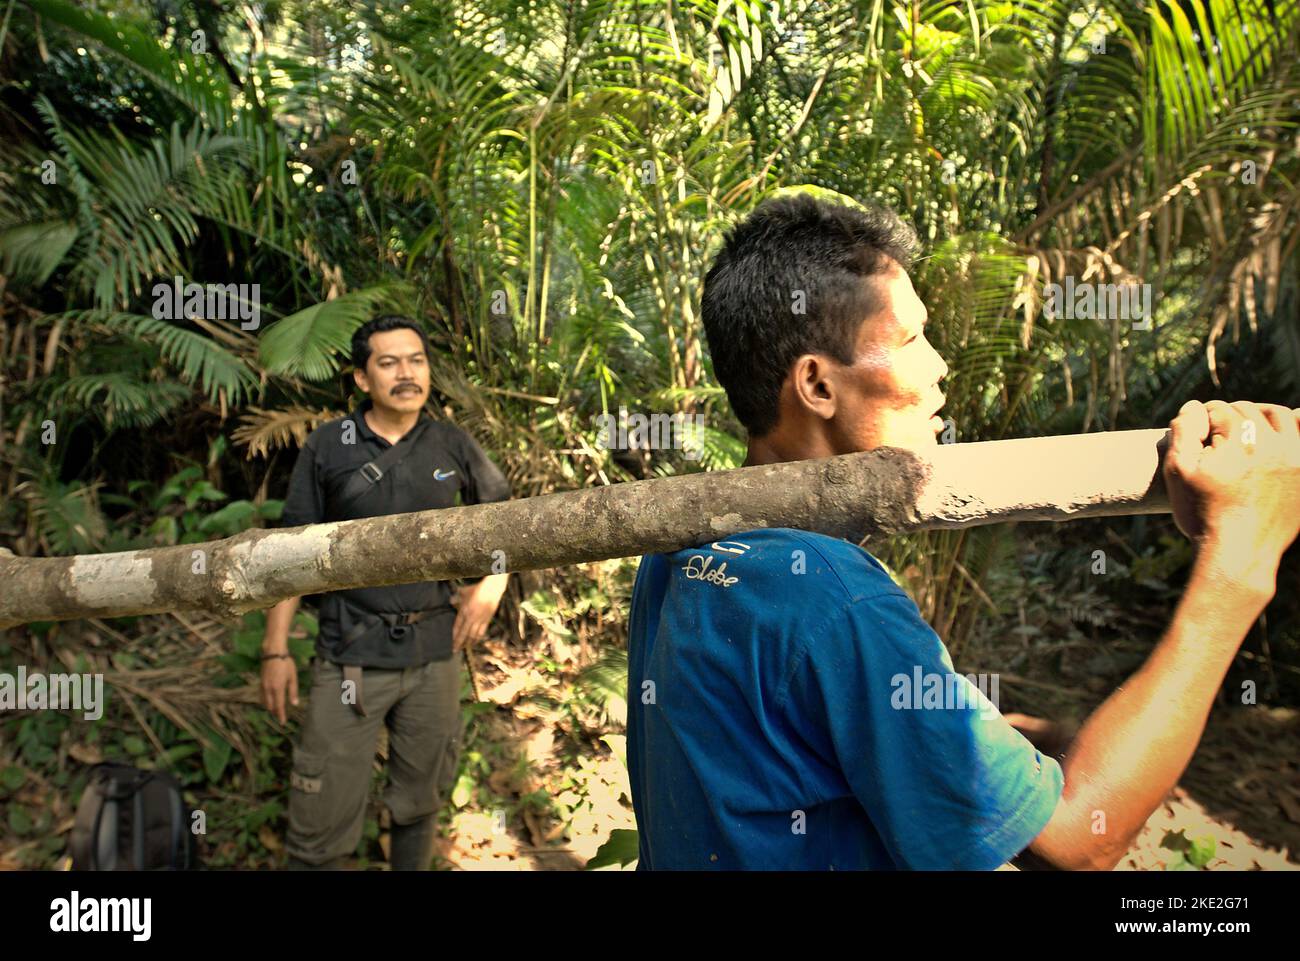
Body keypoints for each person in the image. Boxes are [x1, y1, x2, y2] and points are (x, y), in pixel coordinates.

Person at [625, 193, 1300, 870]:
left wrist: (1022, 739)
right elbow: (1079, 841)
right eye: (914, 339)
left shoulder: (683, 549)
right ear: (818, 386)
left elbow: (788, 736)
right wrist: (1239, 558)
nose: (939, 366)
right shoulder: (836, 603)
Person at [260, 315, 512, 870]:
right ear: (361, 379)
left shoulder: (452, 443)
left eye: (416, 360)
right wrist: (276, 651)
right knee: (319, 828)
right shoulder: (329, 446)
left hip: (433, 658)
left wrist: (489, 589)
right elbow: (287, 557)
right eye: (389, 362)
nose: (406, 373)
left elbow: (507, 524)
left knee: (417, 810)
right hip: (350, 659)